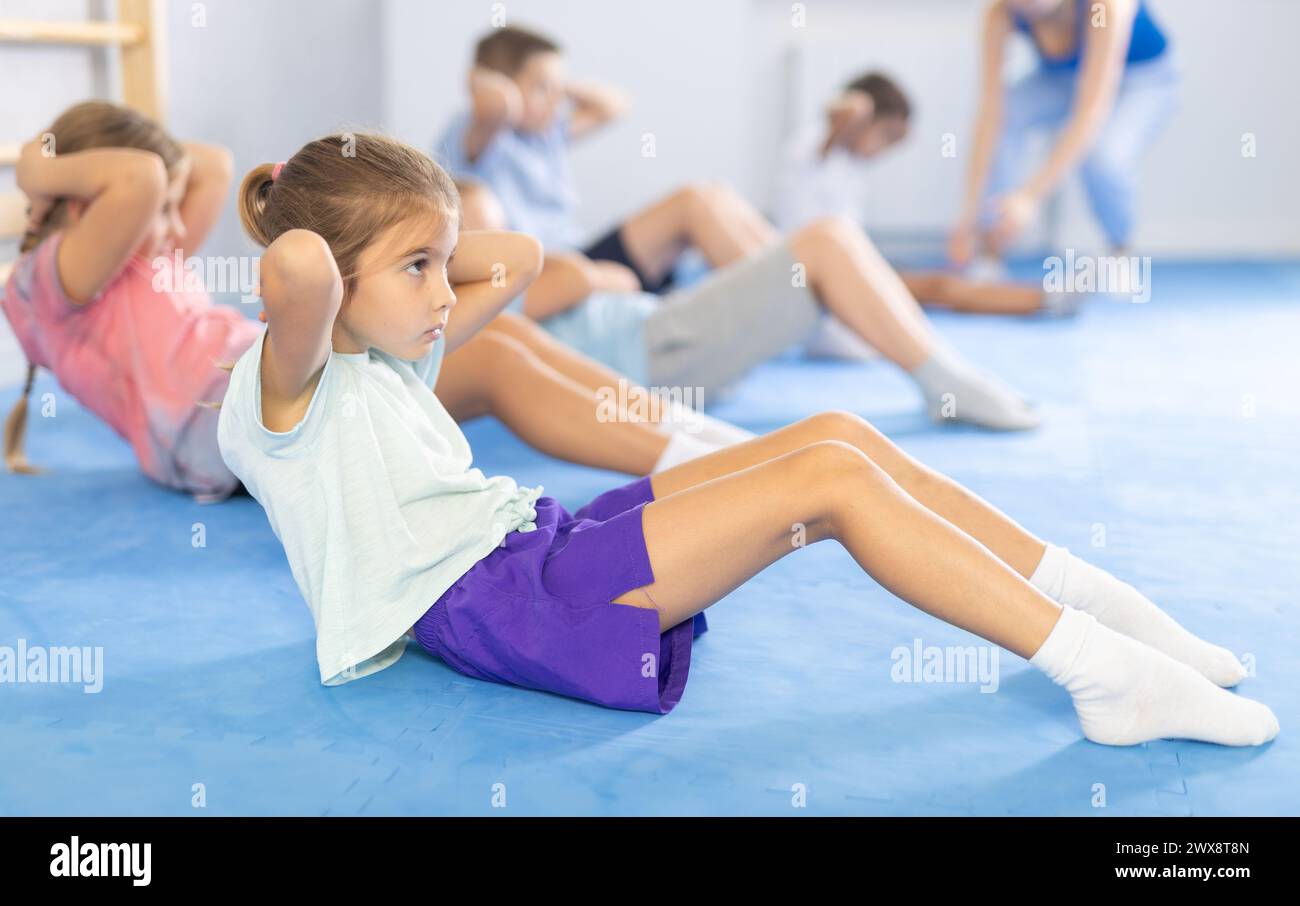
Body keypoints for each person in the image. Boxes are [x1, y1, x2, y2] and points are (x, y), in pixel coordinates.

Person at [217, 132, 1277, 748]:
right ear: (339, 278)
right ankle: (1103, 673)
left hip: (533, 553)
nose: (449, 290)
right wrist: (309, 220)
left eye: (440, 266)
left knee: (833, 431)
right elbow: (300, 276)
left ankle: (1097, 607)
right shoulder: (290, 387)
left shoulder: (396, 350)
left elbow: (523, 258)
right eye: (419, 270)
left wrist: (414, 240)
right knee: (826, 484)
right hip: (502, 604)